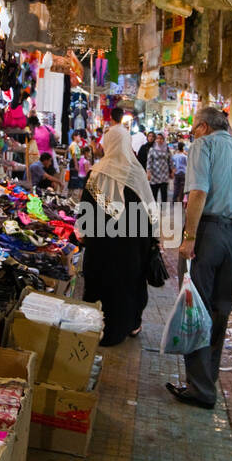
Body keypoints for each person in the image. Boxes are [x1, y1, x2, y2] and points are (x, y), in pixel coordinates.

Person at [167, 106, 232, 410]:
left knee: (196, 307)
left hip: (208, 233)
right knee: (222, 307)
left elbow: (198, 193)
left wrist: (189, 237)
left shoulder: (202, 146)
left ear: (205, 128)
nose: (192, 133)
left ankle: (200, 388)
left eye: (194, 128)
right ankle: (208, 378)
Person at [80, 125, 158, 346]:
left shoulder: (96, 173)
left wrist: (86, 235)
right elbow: (150, 208)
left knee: (100, 281)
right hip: (133, 244)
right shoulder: (137, 172)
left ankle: (97, 327)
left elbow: (86, 209)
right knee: (130, 283)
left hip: (102, 244)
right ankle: (131, 324)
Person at [145, 132, 173, 203]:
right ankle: (155, 211)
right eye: (157, 138)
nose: (159, 140)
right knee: (154, 195)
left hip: (164, 175)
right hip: (154, 175)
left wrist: (172, 170)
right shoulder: (152, 149)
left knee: (164, 195)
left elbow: (170, 161)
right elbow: (149, 162)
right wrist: (148, 172)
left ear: (163, 139)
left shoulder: (166, 149)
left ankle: (163, 211)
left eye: (161, 138)